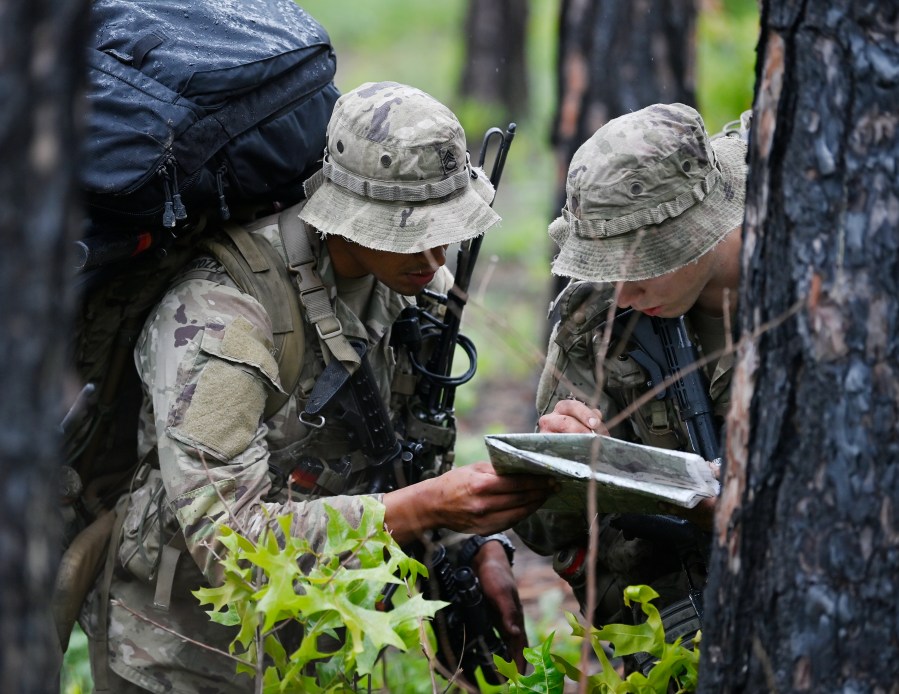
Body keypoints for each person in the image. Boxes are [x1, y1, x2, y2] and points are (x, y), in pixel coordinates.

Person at [82, 81, 551, 693]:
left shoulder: (416, 291)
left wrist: (469, 545)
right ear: (345, 217)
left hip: (327, 645)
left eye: (448, 230)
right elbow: (232, 543)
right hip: (190, 656)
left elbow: (412, 455)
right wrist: (423, 508)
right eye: (410, 231)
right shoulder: (224, 315)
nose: (437, 257)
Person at [514, 103, 748, 634]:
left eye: (640, 267)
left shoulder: (825, 284)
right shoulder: (599, 320)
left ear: (699, 231)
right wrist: (561, 463)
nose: (621, 290)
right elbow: (544, 532)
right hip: (676, 623)